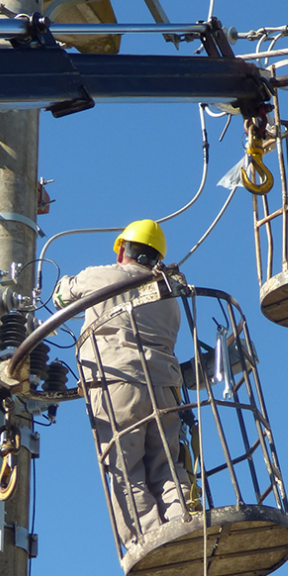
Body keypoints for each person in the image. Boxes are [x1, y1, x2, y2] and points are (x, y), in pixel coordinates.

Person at [53, 219, 190, 548]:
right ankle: (182, 527)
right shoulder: (169, 298)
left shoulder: (104, 276)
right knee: (167, 466)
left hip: (117, 382)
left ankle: (150, 542)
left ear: (122, 251)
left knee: (124, 469)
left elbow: (61, 295)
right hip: (166, 388)